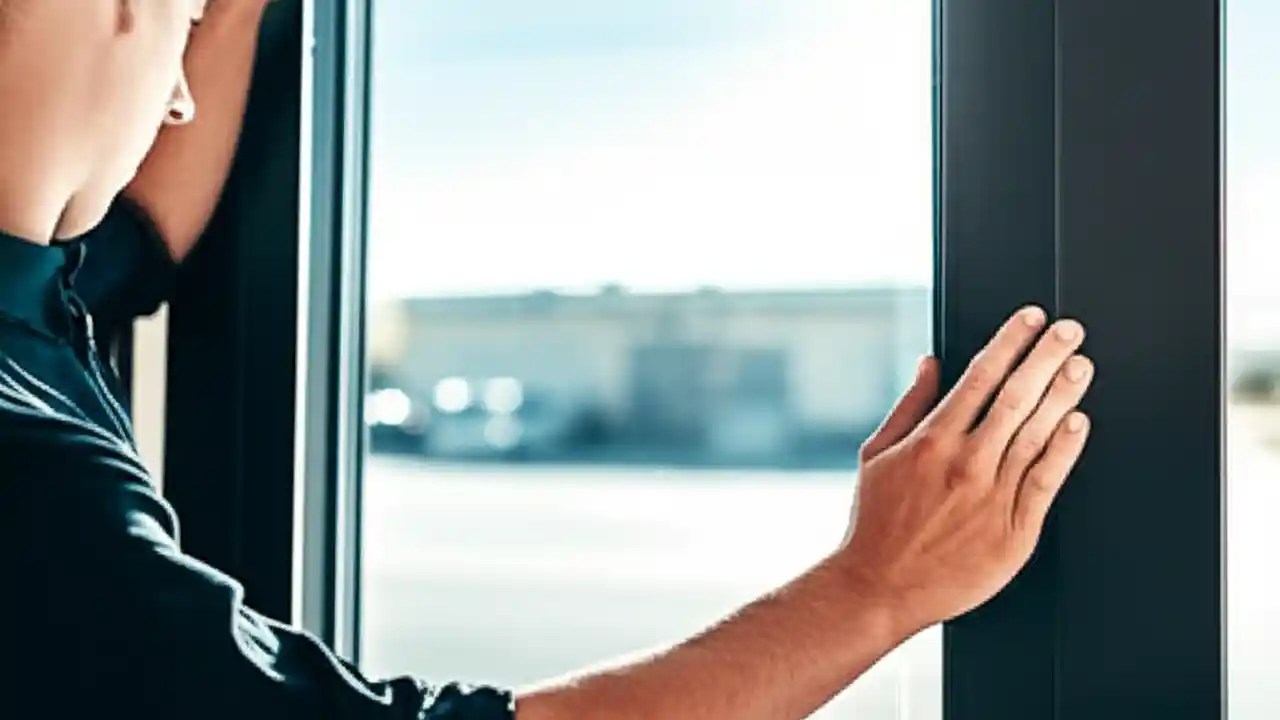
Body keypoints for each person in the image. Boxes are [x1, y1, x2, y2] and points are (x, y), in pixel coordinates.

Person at [0, 2, 1095, 718]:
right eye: (175, 22)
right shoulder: (30, 478)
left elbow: (139, 242)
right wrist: (871, 590)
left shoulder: (34, 311)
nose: (180, 90)